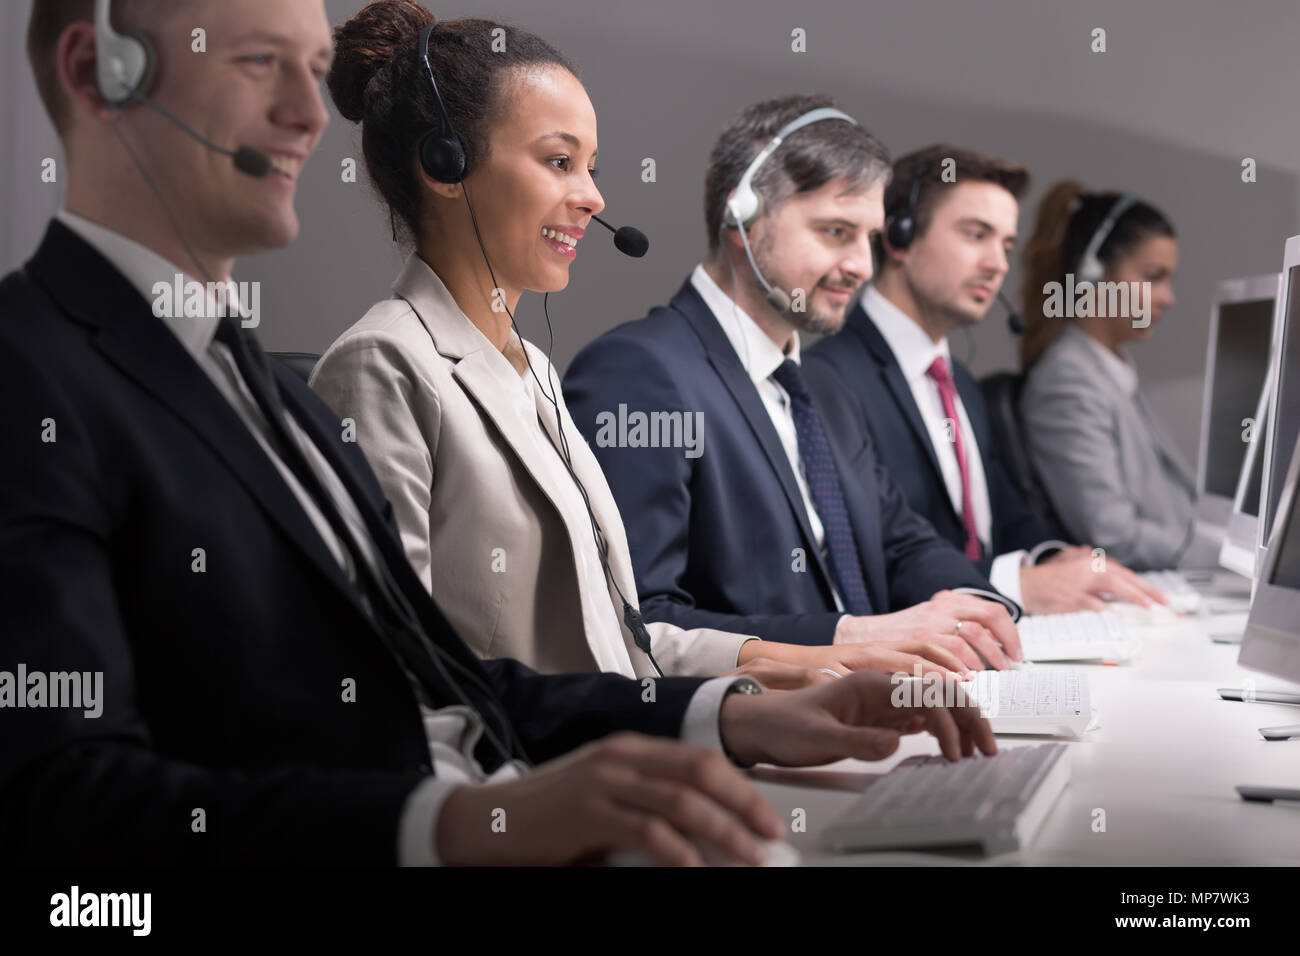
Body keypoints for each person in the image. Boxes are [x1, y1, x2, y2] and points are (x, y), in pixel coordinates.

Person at [0, 0, 995, 868]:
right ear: (98, 71)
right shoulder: (40, 369)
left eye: (313, 69)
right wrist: (462, 824)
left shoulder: (274, 395)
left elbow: (446, 683)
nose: (309, 116)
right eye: (261, 61)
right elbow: (65, 805)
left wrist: (738, 713)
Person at [308, 10, 967, 687]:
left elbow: (629, 645)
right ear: (444, 164)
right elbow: (402, 680)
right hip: (526, 777)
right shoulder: (382, 365)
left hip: (603, 745)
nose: (593, 197)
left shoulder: (534, 370)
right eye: (560, 161)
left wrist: (823, 666)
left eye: (591, 167)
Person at [564, 95, 1025, 674]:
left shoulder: (822, 388)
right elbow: (637, 621)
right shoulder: (639, 374)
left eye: (869, 238)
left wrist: (979, 609)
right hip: (752, 737)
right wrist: (850, 637)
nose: (862, 265)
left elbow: (900, 541)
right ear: (742, 217)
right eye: (836, 231)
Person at [805, 146, 1167, 614]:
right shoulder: (828, 380)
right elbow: (869, 558)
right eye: (976, 235)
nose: (998, 264)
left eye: (1006, 245)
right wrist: (1017, 584)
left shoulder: (959, 382)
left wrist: (1053, 557)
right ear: (899, 237)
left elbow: (1006, 514)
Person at [1017, 179, 1194, 571]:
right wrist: (1219, 555)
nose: (1168, 297)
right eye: (1153, 277)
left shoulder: (1115, 370)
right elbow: (1112, 536)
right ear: (1093, 273)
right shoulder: (1067, 383)